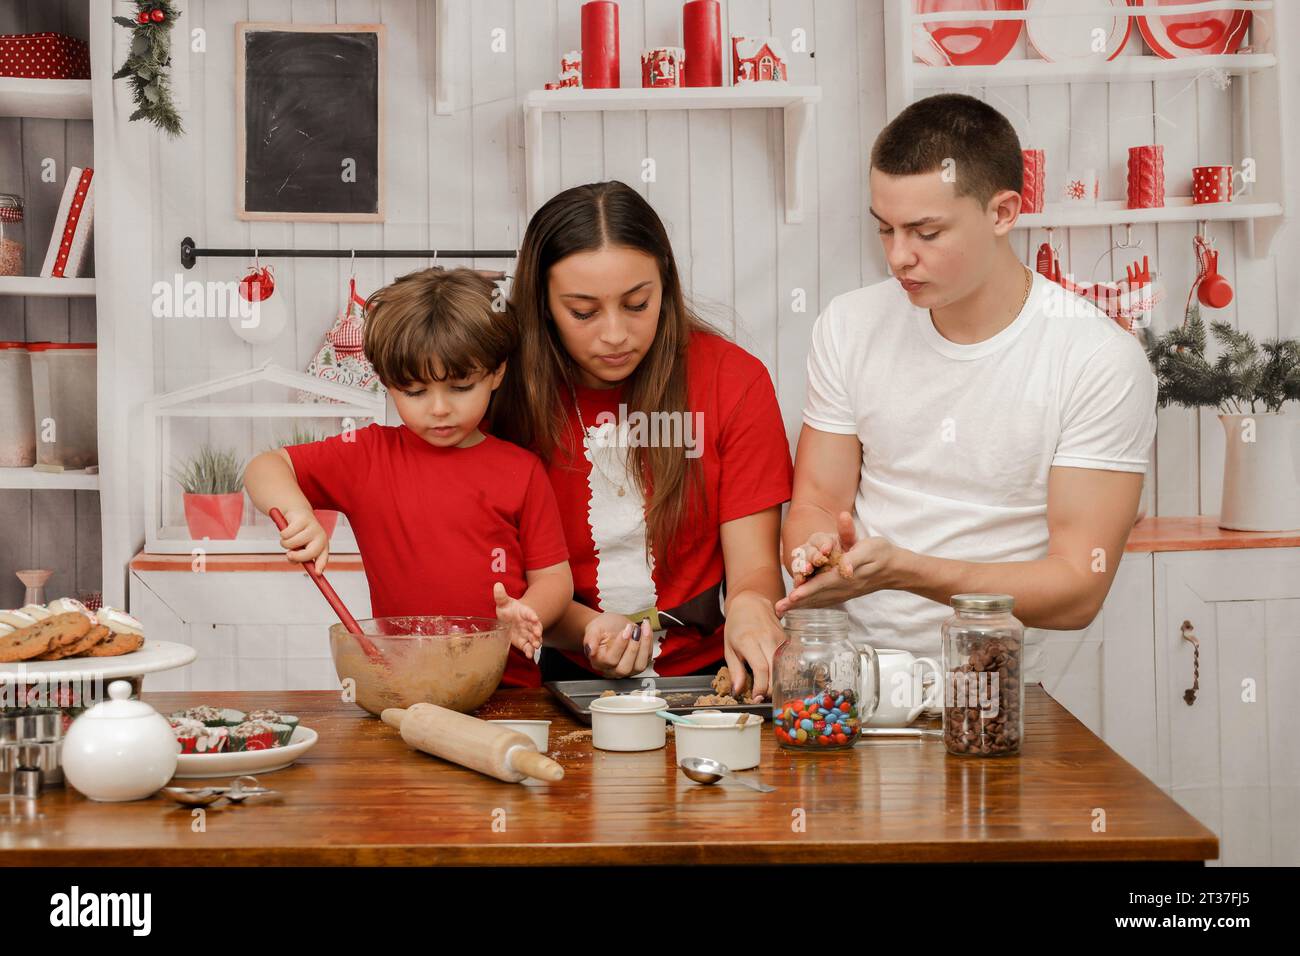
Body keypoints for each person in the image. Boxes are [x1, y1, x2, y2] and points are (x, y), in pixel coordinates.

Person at [778, 93, 1158, 682]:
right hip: (848, 681)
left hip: (1000, 688)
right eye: (886, 229)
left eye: (926, 232)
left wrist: (908, 570)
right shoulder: (848, 325)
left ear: (1004, 212)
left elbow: (1078, 589)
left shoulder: (1098, 360)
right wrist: (814, 551)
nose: (899, 257)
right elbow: (817, 502)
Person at [492, 181, 793, 700]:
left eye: (637, 304)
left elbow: (756, 569)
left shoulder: (732, 381)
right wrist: (585, 629)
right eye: (583, 312)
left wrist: (750, 605)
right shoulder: (502, 395)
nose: (615, 334)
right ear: (541, 304)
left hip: (709, 684)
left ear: (666, 286)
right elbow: (508, 588)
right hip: (548, 687)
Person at [243, 267, 573, 687]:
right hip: (404, 686)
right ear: (387, 383)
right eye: (415, 392)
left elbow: (555, 579)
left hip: (507, 688)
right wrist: (297, 513)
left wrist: (528, 615)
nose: (438, 408)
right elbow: (265, 466)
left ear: (496, 373)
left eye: (460, 387)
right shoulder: (368, 456)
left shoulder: (521, 470)